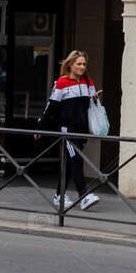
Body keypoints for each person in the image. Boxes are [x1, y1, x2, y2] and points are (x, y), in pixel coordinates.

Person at [37, 49, 102, 211]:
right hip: (67, 129)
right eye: (79, 64)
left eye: (84, 64)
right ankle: (84, 196)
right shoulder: (62, 83)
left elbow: (90, 106)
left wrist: (94, 99)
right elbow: (50, 107)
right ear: (71, 65)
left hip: (82, 130)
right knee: (77, 160)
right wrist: (40, 128)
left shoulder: (88, 82)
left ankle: (59, 196)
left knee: (70, 163)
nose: (82, 67)